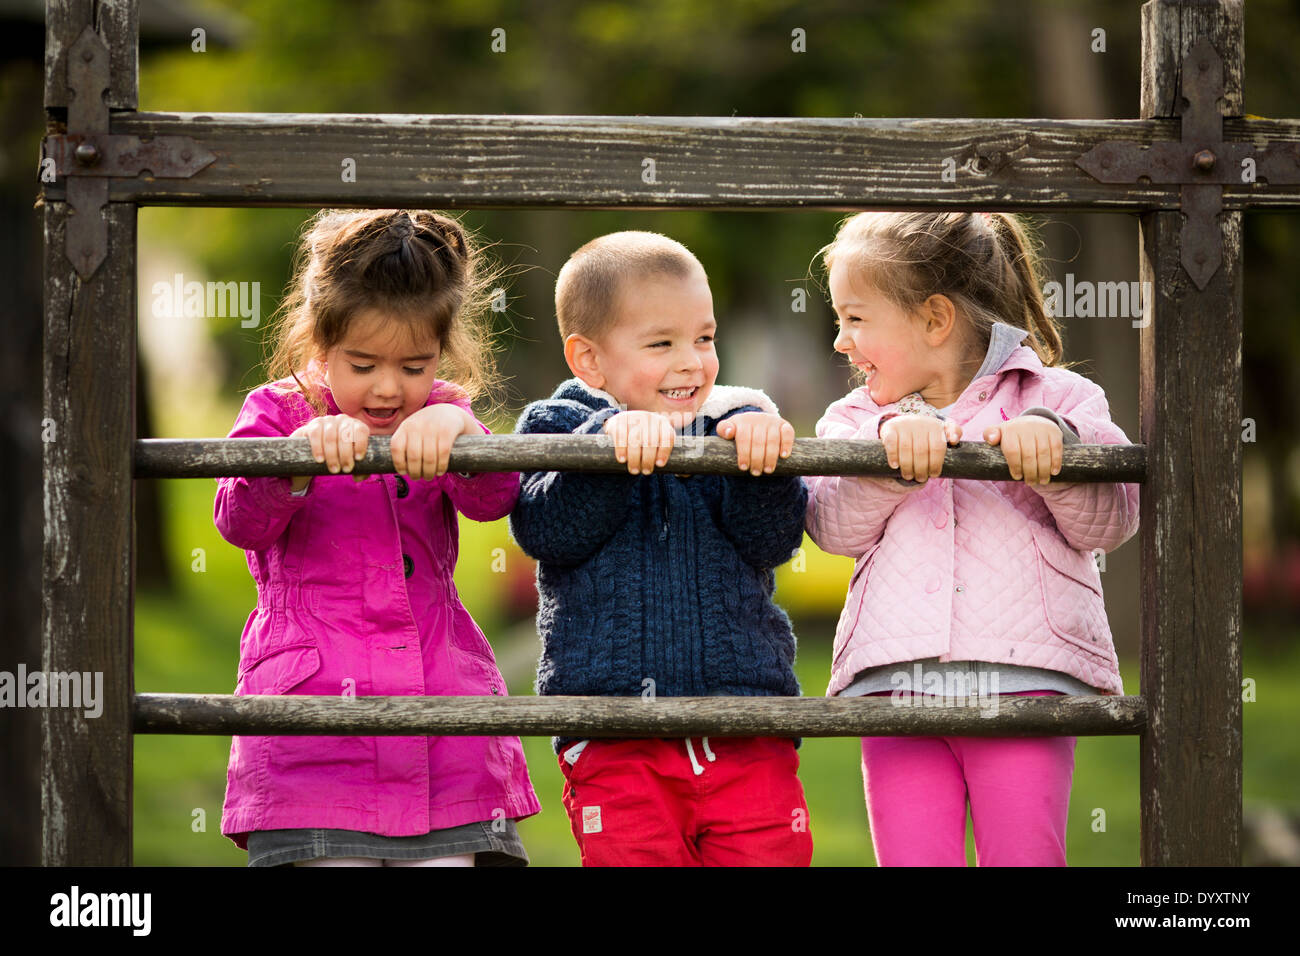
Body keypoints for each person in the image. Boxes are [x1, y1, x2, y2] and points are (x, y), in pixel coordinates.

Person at [804, 211, 1139, 866]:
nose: (841, 341)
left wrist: (1057, 454)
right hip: (896, 687)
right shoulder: (855, 419)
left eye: (856, 318)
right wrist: (886, 462)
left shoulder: (1061, 397)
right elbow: (830, 526)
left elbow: (1113, 523)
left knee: (1025, 858)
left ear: (934, 319)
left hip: (1026, 682)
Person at [214, 208, 540, 866]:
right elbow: (239, 521)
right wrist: (294, 462)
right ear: (320, 344)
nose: (390, 387)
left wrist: (465, 439)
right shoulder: (279, 411)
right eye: (363, 364)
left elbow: (494, 501)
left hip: (439, 715)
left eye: (415, 366)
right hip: (315, 721)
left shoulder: (444, 409)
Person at [509, 231, 813, 866]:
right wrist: (605, 448)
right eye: (661, 343)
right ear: (589, 361)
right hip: (616, 733)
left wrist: (761, 463)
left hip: (744, 724)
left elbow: (774, 541)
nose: (691, 362)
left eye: (704, 338)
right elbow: (548, 531)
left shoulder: (736, 420)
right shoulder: (557, 426)